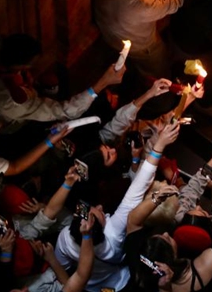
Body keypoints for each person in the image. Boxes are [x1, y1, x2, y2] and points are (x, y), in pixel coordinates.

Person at [53, 121, 180, 292]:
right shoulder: (113, 233)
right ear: (103, 229)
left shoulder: (64, 240)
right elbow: (137, 188)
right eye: (99, 213)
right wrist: (159, 146)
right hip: (122, 282)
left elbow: (61, 269)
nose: (99, 207)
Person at [126, 154, 212, 291]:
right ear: (174, 260)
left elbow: (132, 221)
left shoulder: (141, 269)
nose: (166, 233)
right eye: (168, 239)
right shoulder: (201, 270)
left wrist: (156, 198)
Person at [0, 34, 125, 125]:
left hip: (29, 93)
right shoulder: (12, 103)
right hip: (19, 121)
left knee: (54, 79)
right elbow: (64, 111)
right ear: (18, 66)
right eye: (29, 66)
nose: (31, 69)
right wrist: (103, 82)